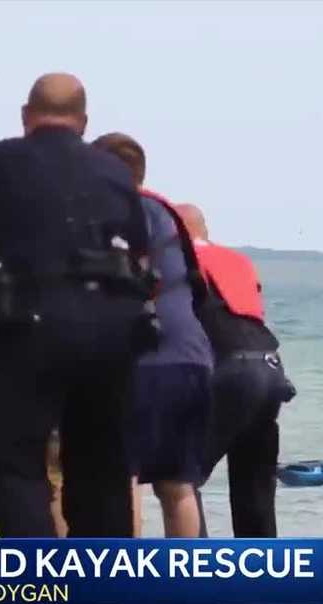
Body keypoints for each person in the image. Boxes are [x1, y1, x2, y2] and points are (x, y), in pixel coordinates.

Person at [0, 73, 155, 538]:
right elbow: (139, 256)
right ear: (83, 121)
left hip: (35, 327)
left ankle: (40, 574)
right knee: (100, 459)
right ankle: (101, 586)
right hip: (114, 331)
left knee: (2, 454)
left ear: (25, 115)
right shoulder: (113, 172)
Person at [91, 132, 213, 538]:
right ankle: (184, 588)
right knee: (178, 484)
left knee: (121, 475)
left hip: (139, 361)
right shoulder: (168, 215)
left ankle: (129, 581)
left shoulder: (109, 212)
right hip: (191, 356)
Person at [178, 204, 296, 538]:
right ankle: (262, 573)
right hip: (271, 366)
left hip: (231, 368)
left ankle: (195, 571)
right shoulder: (239, 261)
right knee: (254, 483)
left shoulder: (180, 261)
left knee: (182, 478)